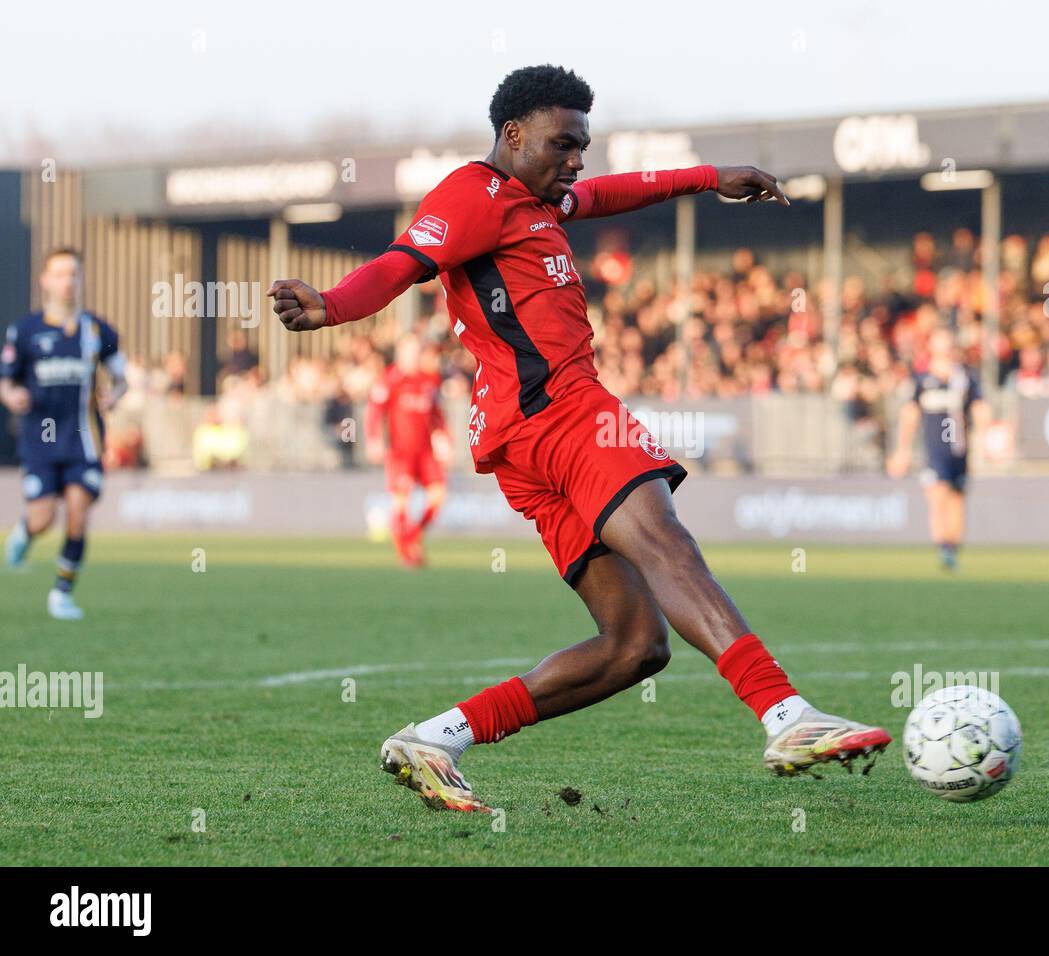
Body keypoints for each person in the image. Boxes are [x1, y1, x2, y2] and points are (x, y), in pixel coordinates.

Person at [268, 64, 891, 812]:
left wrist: (708, 178)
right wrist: (330, 306)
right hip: (562, 411)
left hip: (518, 440)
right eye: (564, 143)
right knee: (665, 540)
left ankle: (436, 738)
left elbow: (612, 191)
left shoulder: (540, 200)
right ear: (513, 134)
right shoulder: (475, 195)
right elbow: (405, 262)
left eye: (583, 145)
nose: (577, 159)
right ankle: (785, 716)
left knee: (634, 646)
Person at [1, 248, 127, 620]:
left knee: (77, 511)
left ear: (81, 279)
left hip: (83, 439)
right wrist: (12, 396)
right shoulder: (24, 331)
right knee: (43, 519)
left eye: (73, 273)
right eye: (59, 274)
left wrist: (114, 395)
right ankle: (25, 532)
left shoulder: (97, 330)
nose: (67, 281)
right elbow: (6, 382)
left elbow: (121, 379)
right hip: (40, 440)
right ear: (45, 280)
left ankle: (62, 593)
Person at [887, 327, 990, 571]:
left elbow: (980, 407)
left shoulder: (965, 378)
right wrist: (902, 449)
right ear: (932, 347)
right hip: (934, 452)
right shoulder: (923, 381)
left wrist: (986, 438)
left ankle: (952, 549)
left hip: (959, 451)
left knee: (956, 500)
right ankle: (943, 548)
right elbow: (910, 415)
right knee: (937, 496)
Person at [366, 333, 450, 567]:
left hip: (425, 452)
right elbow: (374, 411)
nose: (413, 356)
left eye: (416, 351)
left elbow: (437, 415)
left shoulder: (429, 380)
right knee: (402, 500)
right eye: (409, 351)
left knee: (439, 496)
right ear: (400, 353)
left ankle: (412, 538)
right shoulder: (391, 379)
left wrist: (443, 437)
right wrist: (373, 438)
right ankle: (406, 553)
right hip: (400, 452)